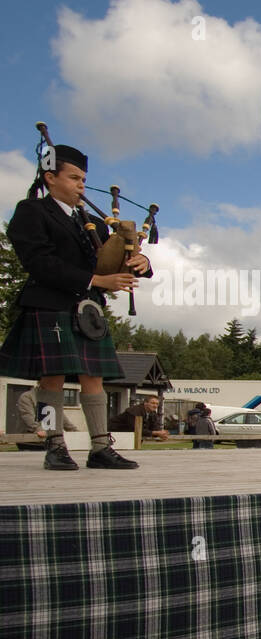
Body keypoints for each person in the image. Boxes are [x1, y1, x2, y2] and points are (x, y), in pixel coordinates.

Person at [0, 142, 151, 469]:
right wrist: (97, 282)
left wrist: (138, 259)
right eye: (74, 178)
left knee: (93, 376)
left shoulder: (87, 221)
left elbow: (107, 261)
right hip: (50, 304)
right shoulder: (32, 211)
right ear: (50, 178)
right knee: (50, 380)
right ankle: (54, 445)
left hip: (88, 309)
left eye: (84, 179)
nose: (82, 186)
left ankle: (100, 448)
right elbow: (39, 262)